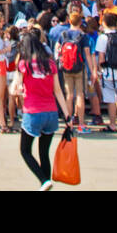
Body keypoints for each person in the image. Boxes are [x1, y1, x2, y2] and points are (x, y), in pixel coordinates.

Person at [10, 29, 70, 189]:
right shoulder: (50, 64)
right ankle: (45, 182)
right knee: (44, 153)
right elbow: (58, 90)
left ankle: (44, 180)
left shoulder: (24, 65)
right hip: (51, 112)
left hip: (33, 112)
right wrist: (67, 115)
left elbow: (13, 89)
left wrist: (18, 91)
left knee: (25, 150)